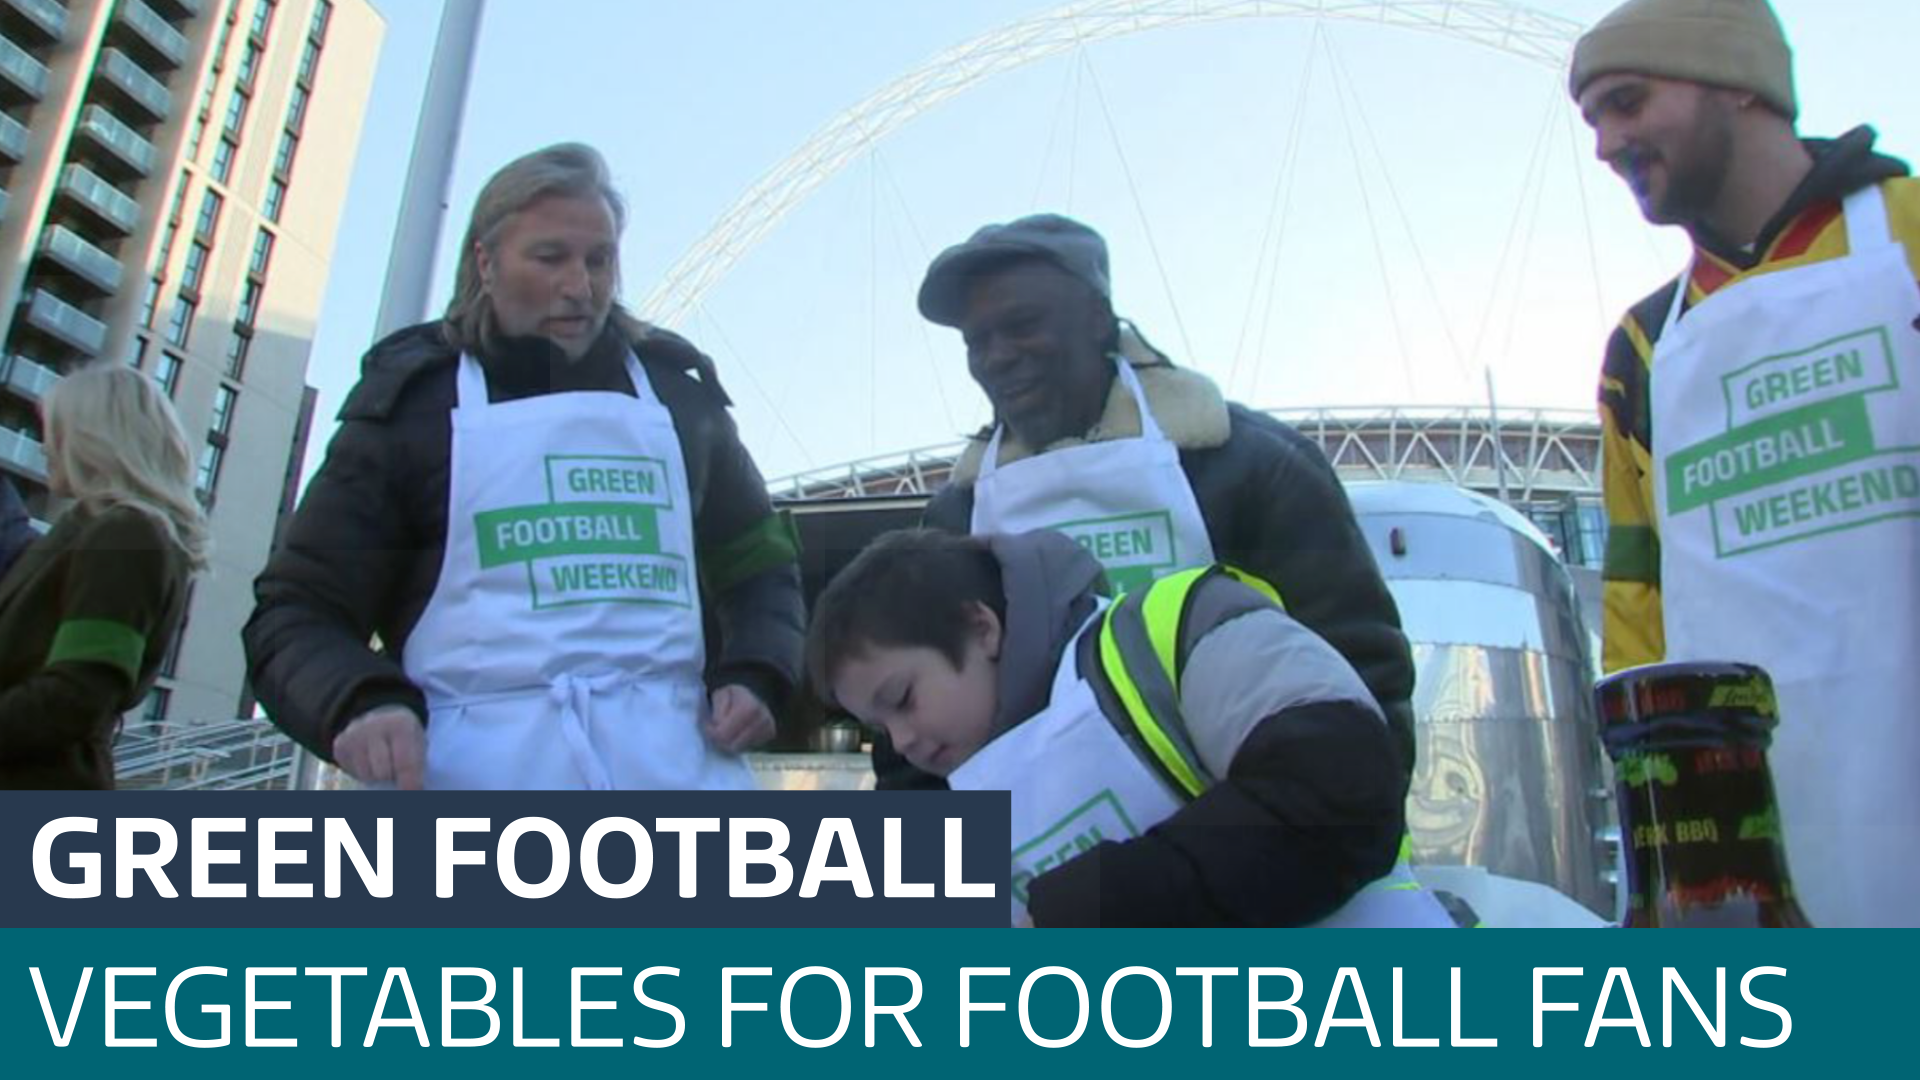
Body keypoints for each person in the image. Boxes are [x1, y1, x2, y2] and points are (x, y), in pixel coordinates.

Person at [245, 143, 804, 791]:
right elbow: (295, 611)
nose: (580, 286)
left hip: (680, 770)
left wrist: (760, 671)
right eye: (550, 258)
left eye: (599, 260)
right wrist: (359, 702)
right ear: (485, 261)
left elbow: (763, 568)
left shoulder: (683, 402)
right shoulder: (410, 413)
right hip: (469, 778)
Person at [1572, 0, 1920, 926]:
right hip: (1742, 872)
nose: (1607, 142)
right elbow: (1637, 607)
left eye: (1628, 101)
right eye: (1593, 119)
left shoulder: (1913, 238)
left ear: (1739, 84)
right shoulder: (1641, 349)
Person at [885, 212, 1415, 792]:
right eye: (976, 341)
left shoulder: (1251, 463)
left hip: (1258, 845)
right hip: (1034, 866)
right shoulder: (953, 519)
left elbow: (1361, 672)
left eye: (1022, 325)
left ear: (1096, 317)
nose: (996, 356)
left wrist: (1312, 834)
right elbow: (910, 736)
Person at [807, 528, 1449, 927]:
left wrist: (1085, 913)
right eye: (878, 727)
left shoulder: (1174, 634)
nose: (904, 742)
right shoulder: (967, 799)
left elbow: (1340, 797)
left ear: (982, 627)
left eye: (903, 698)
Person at [0, 367, 207, 789]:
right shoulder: (96, 531)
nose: (44, 447)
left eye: (55, 429)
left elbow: (76, 695)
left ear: (96, 438)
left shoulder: (126, 534)